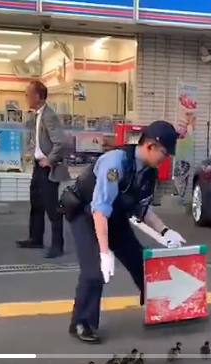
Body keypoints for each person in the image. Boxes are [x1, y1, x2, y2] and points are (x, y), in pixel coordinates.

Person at [61, 120, 186, 344]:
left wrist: (166, 231)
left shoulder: (148, 172)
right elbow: (100, 210)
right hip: (86, 213)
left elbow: (143, 210)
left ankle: (158, 307)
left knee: (139, 259)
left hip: (114, 216)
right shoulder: (115, 162)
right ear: (150, 146)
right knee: (94, 272)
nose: (165, 159)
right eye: (164, 154)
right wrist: (104, 253)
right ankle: (82, 322)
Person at [16, 81, 73, 258]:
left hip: (49, 168)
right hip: (38, 165)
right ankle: (35, 238)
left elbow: (61, 142)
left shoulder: (49, 115)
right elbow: (34, 139)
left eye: (28, 94)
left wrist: (50, 159)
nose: (26, 98)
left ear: (38, 96)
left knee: (51, 206)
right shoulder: (34, 115)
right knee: (36, 202)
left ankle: (57, 245)